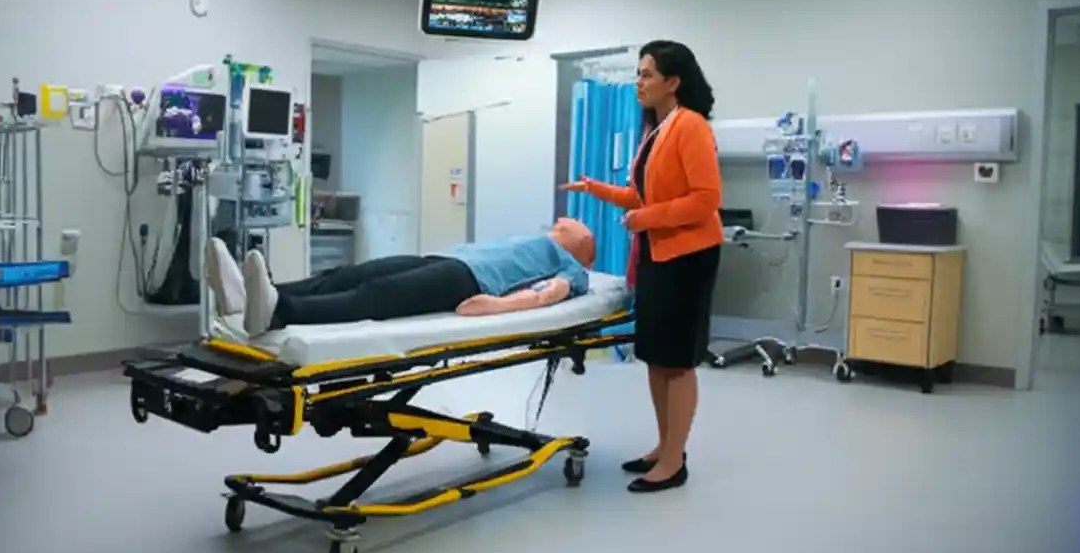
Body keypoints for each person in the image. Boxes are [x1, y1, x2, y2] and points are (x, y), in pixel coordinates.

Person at [563, 40, 723, 494]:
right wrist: (595, 188)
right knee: (656, 356)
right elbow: (642, 196)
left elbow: (706, 199)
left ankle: (674, 460)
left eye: (647, 74)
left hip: (688, 257)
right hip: (657, 253)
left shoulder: (690, 125)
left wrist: (645, 219)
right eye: (638, 73)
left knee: (677, 362)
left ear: (673, 82)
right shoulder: (658, 128)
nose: (638, 82)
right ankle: (664, 445)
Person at [237, 218, 596, 335]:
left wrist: (497, 305)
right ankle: (253, 292)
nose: (561, 220)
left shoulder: (573, 268)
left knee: (378, 293)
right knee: (352, 274)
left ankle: (281, 311)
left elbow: (548, 293)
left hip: (468, 279)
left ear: (580, 242)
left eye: (568, 223)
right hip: (445, 259)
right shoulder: (533, 238)